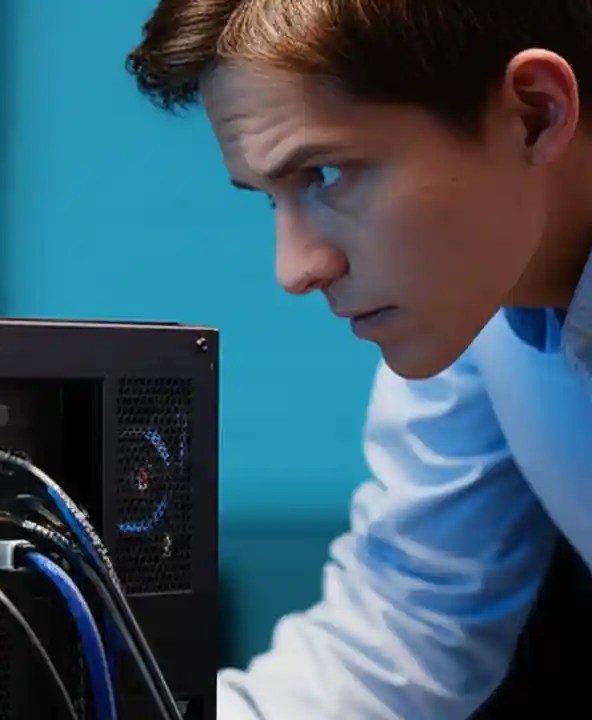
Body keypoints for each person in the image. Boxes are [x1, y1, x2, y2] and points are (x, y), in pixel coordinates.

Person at [124, 1, 592, 718]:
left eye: (326, 174)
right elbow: (401, 637)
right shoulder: (477, 307)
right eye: (270, 199)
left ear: (534, 113)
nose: (295, 269)